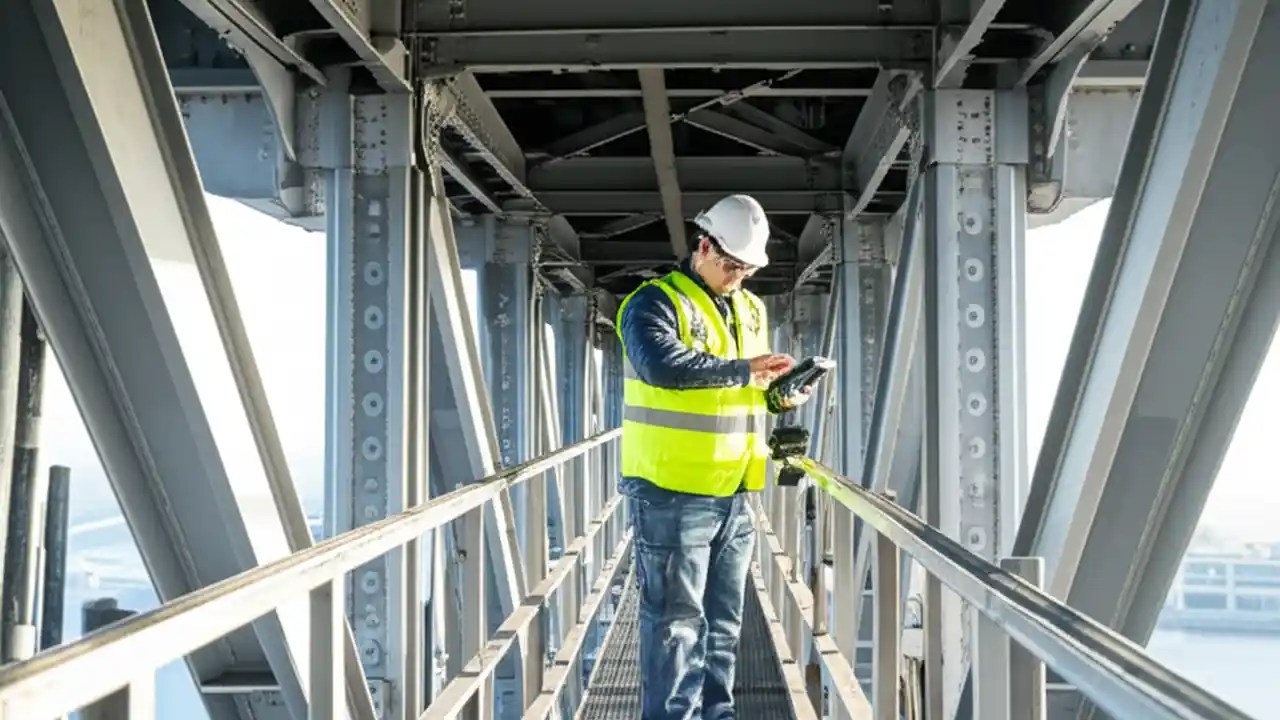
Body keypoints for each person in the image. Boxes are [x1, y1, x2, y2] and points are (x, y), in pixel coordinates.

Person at [615, 194, 813, 719]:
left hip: (734, 495)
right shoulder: (652, 302)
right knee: (677, 628)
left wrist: (780, 394)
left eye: (746, 269)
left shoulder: (751, 307)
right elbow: (662, 366)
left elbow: (749, 390)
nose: (738, 277)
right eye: (730, 265)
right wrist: (744, 371)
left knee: (724, 627)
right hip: (672, 494)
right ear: (703, 246)